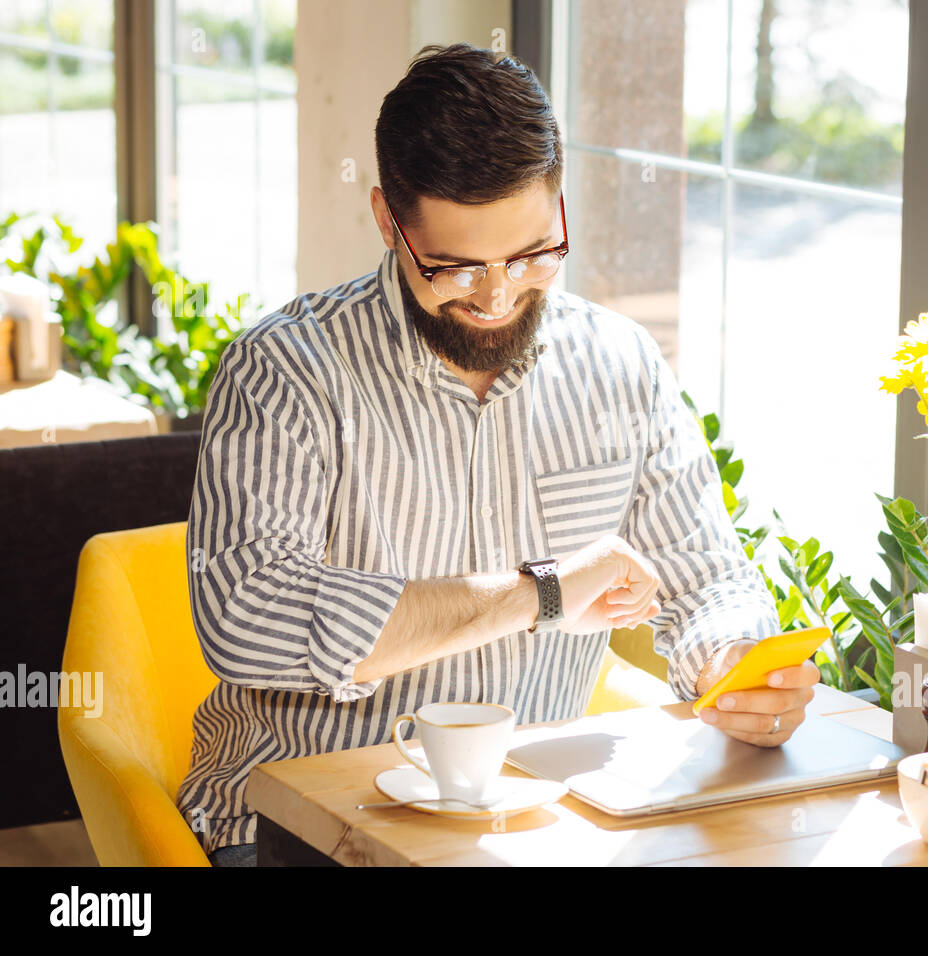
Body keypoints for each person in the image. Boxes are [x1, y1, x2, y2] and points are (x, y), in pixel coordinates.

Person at [177, 42, 820, 867]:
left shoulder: (618, 365)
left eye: (532, 254)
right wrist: (539, 594)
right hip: (296, 827)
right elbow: (247, 623)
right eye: (455, 266)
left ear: (559, 203)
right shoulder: (285, 374)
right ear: (387, 219)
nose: (497, 294)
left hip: (535, 824)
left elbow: (708, 577)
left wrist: (735, 666)